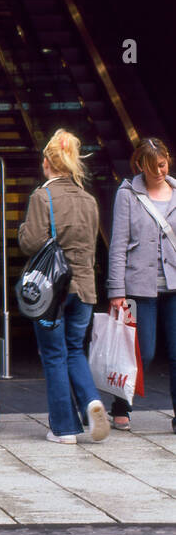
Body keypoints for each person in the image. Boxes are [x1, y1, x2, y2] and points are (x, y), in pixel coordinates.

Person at [17, 130, 109, 444]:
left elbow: (30, 243)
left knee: (53, 354)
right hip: (84, 287)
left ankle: (65, 428)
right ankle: (91, 400)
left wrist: (21, 231)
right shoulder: (89, 200)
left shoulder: (42, 197)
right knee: (74, 351)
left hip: (51, 292)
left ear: (47, 163)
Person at [106, 136, 176, 433]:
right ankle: (122, 405)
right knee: (141, 352)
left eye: (162, 164)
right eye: (151, 167)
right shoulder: (128, 194)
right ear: (140, 165)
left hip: (174, 285)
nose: (158, 171)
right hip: (138, 285)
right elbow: (118, 244)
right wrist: (115, 291)